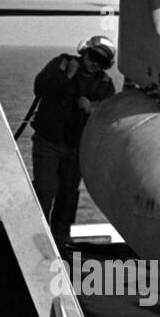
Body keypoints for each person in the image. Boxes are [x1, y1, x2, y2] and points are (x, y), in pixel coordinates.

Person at [30, 35, 116, 251]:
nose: (95, 63)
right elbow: (40, 88)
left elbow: (109, 113)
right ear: (84, 52)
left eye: (101, 61)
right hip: (49, 142)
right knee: (45, 190)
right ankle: (34, 241)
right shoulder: (62, 64)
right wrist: (67, 76)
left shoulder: (105, 84)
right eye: (93, 57)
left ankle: (59, 244)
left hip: (76, 149)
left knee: (67, 196)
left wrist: (91, 108)